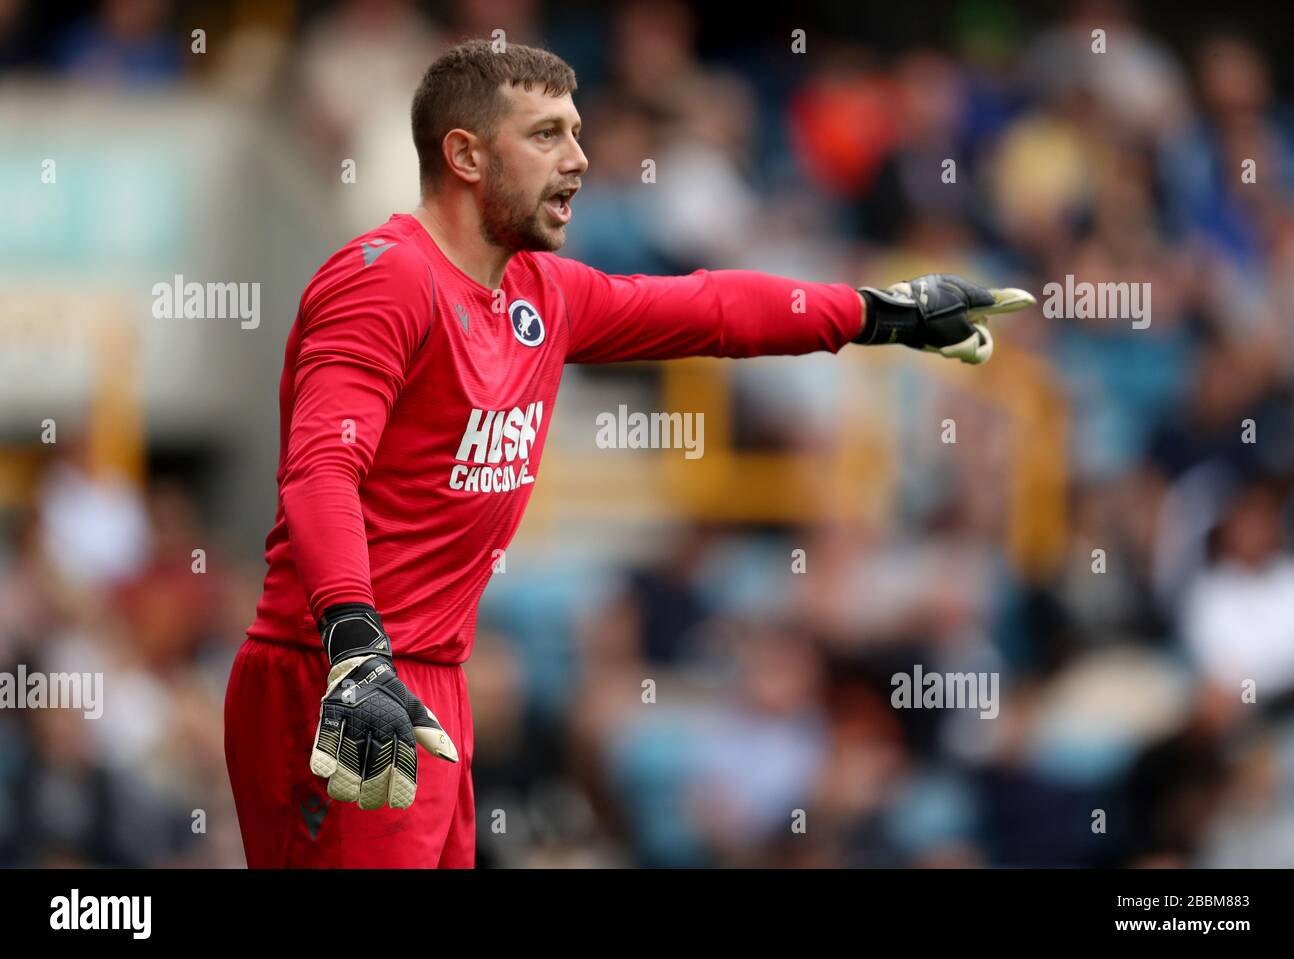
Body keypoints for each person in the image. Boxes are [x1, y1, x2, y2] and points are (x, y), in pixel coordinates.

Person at [223, 38, 1033, 868]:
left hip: (427, 675)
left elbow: (712, 308)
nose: (578, 159)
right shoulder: (385, 280)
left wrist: (874, 311)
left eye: (576, 132)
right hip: (340, 673)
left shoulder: (542, 292)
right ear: (464, 154)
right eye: (545, 135)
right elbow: (321, 469)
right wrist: (356, 648)